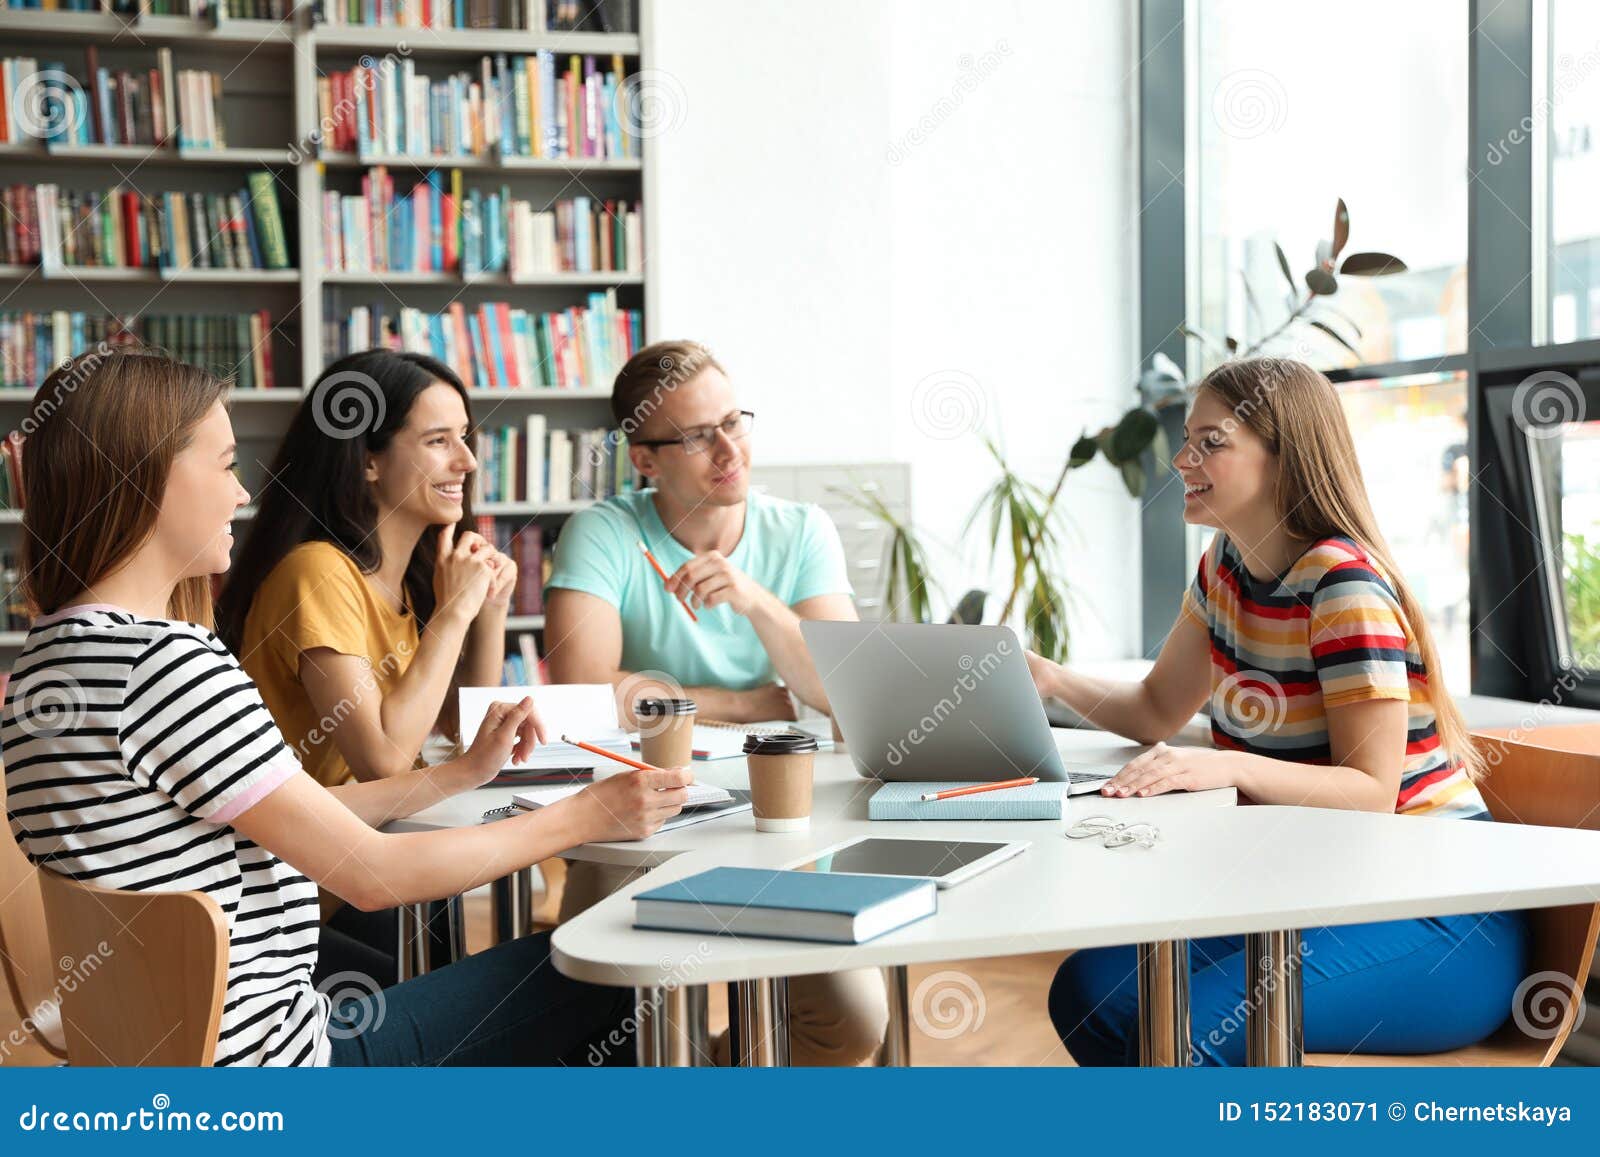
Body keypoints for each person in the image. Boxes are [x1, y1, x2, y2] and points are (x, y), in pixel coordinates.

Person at [4, 350, 693, 1066]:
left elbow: (300, 810)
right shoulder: (168, 664)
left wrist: (452, 778)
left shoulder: (48, 663)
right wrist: (587, 815)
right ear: (146, 476)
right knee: (609, 972)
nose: (242, 494)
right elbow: (371, 874)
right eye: (226, 463)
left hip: (160, 1063)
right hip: (279, 1068)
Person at [1026, 356, 1527, 1066]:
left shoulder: (1342, 586)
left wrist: (1224, 764)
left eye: (1211, 441)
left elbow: (1371, 792)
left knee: (1193, 1031)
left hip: (1442, 912)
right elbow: (1155, 709)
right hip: (1323, 892)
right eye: (1188, 439)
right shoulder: (1223, 568)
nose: (1181, 457)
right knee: (1091, 992)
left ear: (1283, 459)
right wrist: (1048, 680)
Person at [543, 339, 889, 1065]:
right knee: (627, 1032)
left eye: (735, 421)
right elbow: (583, 686)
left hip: (784, 819)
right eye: (699, 435)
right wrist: (754, 700)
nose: (729, 448)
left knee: (853, 1023)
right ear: (645, 458)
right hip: (637, 817)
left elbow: (847, 692)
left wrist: (758, 601)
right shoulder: (604, 532)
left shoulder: (799, 532)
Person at [215, 350, 514, 986]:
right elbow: (382, 756)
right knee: (474, 988)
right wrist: (454, 616)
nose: (467, 461)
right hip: (273, 914)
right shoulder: (318, 573)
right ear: (368, 460)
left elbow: (466, 740)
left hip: (346, 872)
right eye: (438, 441)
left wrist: (488, 611)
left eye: (465, 438)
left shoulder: (403, 585)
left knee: (454, 956)